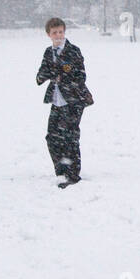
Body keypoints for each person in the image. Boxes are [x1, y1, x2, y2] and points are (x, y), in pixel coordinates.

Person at [36, 18, 93, 188]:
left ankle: (73, 175)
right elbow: (40, 76)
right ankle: (61, 171)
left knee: (70, 137)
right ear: (49, 35)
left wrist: (63, 78)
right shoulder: (48, 52)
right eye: (55, 33)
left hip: (74, 100)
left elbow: (81, 76)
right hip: (57, 100)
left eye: (61, 32)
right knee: (52, 137)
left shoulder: (73, 51)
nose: (58, 35)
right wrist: (48, 75)